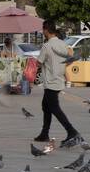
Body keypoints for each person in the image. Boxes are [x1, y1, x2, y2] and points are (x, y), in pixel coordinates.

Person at [33, 20, 84, 148]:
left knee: (55, 108)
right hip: (58, 79)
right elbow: (69, 59)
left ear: (45, 30)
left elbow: (39, 63)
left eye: (43, 30)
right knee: (46, 106)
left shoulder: (47, 46)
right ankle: (44, 133)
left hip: (50, 81)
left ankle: (72, 131)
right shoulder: (62, 44)